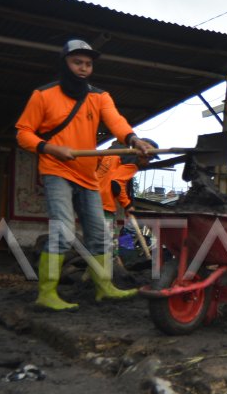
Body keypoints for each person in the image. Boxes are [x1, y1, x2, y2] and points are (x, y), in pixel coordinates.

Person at [15, 39, 155, 310]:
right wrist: (51, 148)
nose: (83, 68)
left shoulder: (99, 96)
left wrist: (134, 140)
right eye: (77, 62)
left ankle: (104, 288)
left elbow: (116, 121)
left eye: (88, 64)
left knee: (100, 235)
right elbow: (23, 133)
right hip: (57, 170)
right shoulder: (43, 95)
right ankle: (46, 294)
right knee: (63, 232)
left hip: (87, 175)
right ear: (65, 64)